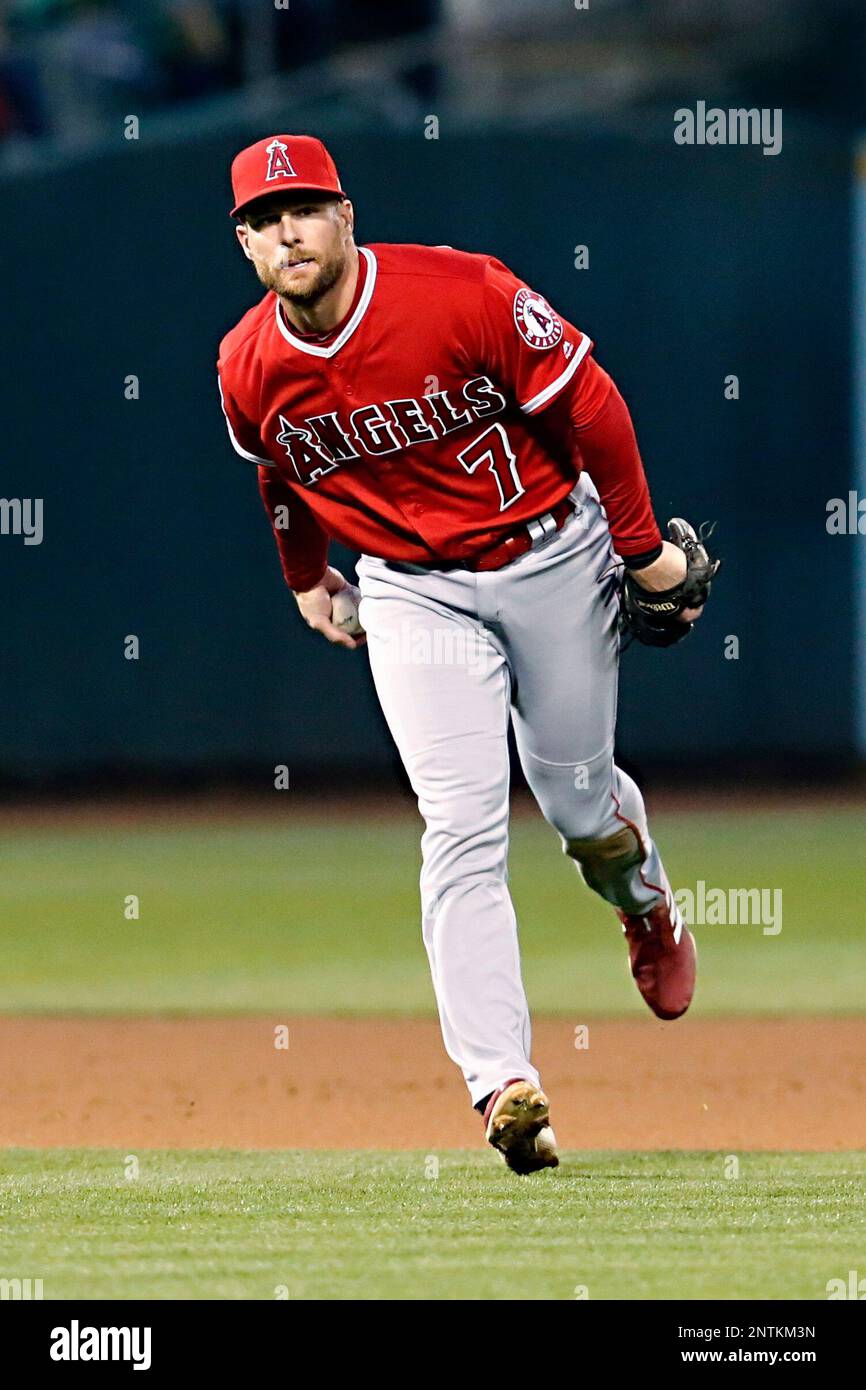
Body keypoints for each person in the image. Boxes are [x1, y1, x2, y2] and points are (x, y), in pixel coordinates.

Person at [217, 134, 715, 1175]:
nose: (286, 231)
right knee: (458, 820)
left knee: (577, 802)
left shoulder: (460, 291)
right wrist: (304, 575)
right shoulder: (246, 364)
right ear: (245, 245)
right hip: (408, 588)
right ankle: (502, 1083)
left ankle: (644, 903)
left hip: (550, 553)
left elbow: (591, 405)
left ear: (346, 214)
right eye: (263, 220)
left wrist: (640, 549)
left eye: (303, 208)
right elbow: (277, 473)